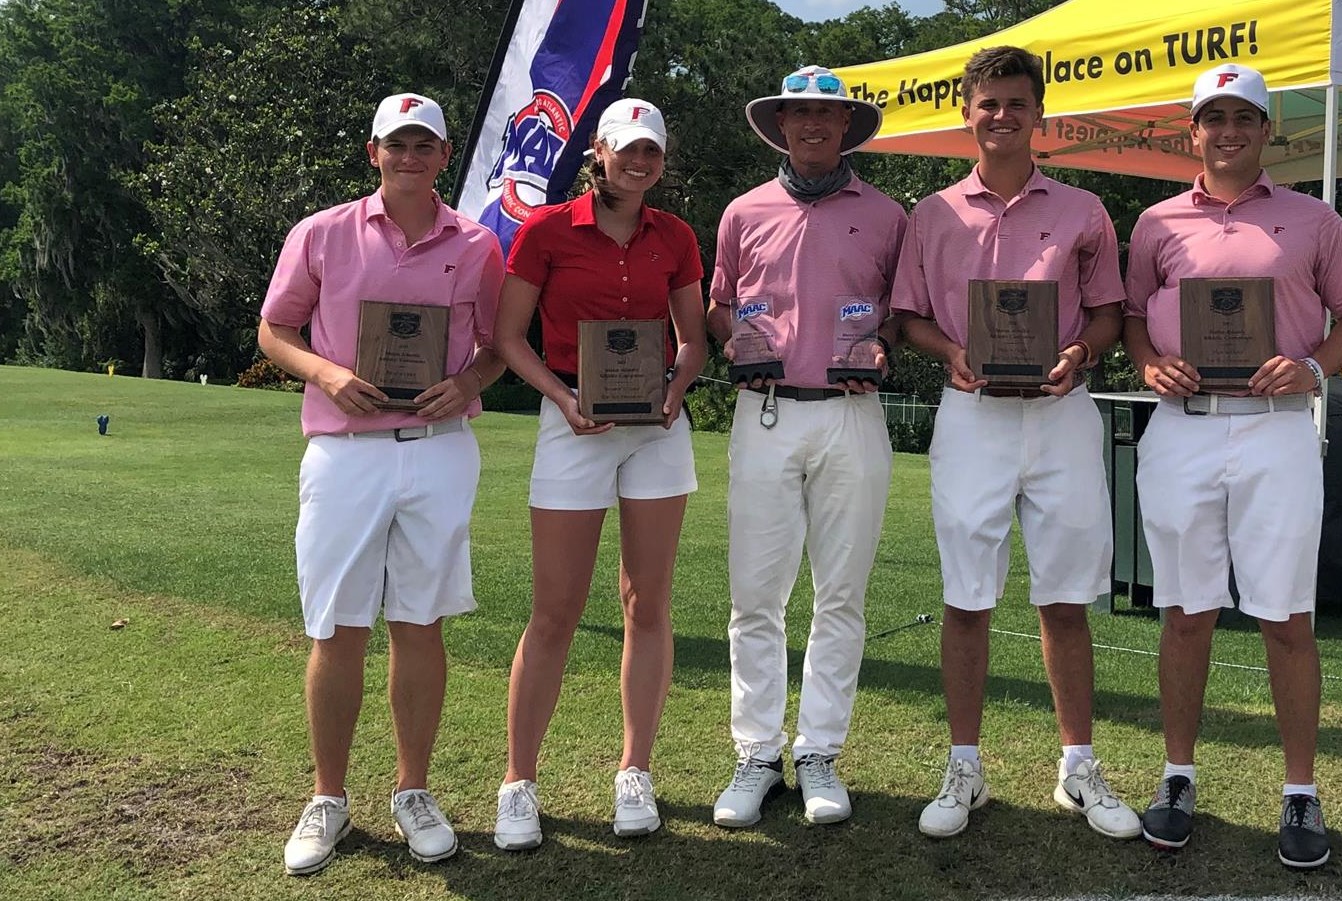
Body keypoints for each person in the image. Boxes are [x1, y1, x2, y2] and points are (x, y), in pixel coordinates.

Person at [1122, 63, 1342, 869]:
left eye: (1244, 118)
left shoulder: (1314, 220)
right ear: (1193, 130)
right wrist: (1148, 362)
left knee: (1287, 618)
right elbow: (1131, 317)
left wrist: (1313, 368)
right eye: (1214, 117)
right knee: (1185, 613)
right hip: (1183, 427)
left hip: (1277, 430)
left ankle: (1300, 790)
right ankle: (1177, 777)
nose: (1228, 131)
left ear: (1269, 130)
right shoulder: (1155, 222)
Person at [892, 46, 1139, 841]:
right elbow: (909, 317)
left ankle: (1078, 766)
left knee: (1065, 599)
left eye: (1016, 103)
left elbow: (1107, 312)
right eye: (988, 102)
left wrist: (1082, 352)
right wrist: (950, 351)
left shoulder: (1083, 209)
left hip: (1062, 412)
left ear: (1040, 114)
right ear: (966, 111)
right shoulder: (932, 213)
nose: (1001, 115)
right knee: (967, 596)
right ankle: (965, 766)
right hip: (972, 413)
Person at [263, 92, 505, 876]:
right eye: (396, 144)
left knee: (420, 621)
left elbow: (496, 347)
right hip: (346, 450)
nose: (409, 157)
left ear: (444, 156)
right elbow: (275, 329)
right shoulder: (322, 232)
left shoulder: (477, 244)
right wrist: (326, 373)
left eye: (423, 145)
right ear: (374, 152)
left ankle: (413, 790)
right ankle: (328, 796)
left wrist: (465, 384)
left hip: (438, 447)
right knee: (337, 627)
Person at [490, 98, 707, 846]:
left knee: (647, 604)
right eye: (628, 149)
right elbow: (509, 336)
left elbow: (692, 339)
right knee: (555, 609)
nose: (639, 162)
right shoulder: (547, 230)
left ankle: (634, 769)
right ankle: (518, 780)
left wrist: (678, 387)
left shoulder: (675, 236)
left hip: (656, 431)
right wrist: (560, 399)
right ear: (600, 153)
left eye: (652, 152)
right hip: (572, 421)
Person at [705, 65, 905, 828]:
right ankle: (757, 752)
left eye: (828, 114)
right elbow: (721, 305)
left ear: (846, 126)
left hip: (853, 413)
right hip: (765, 411)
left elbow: (900, 313)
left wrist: (883, 344)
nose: (814, 124)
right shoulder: (743, 210)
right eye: (800, 114)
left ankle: (819, 750)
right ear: (781, 125)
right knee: (755, 595)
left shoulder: (888, 215)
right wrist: (734, 341)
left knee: (841, 594)